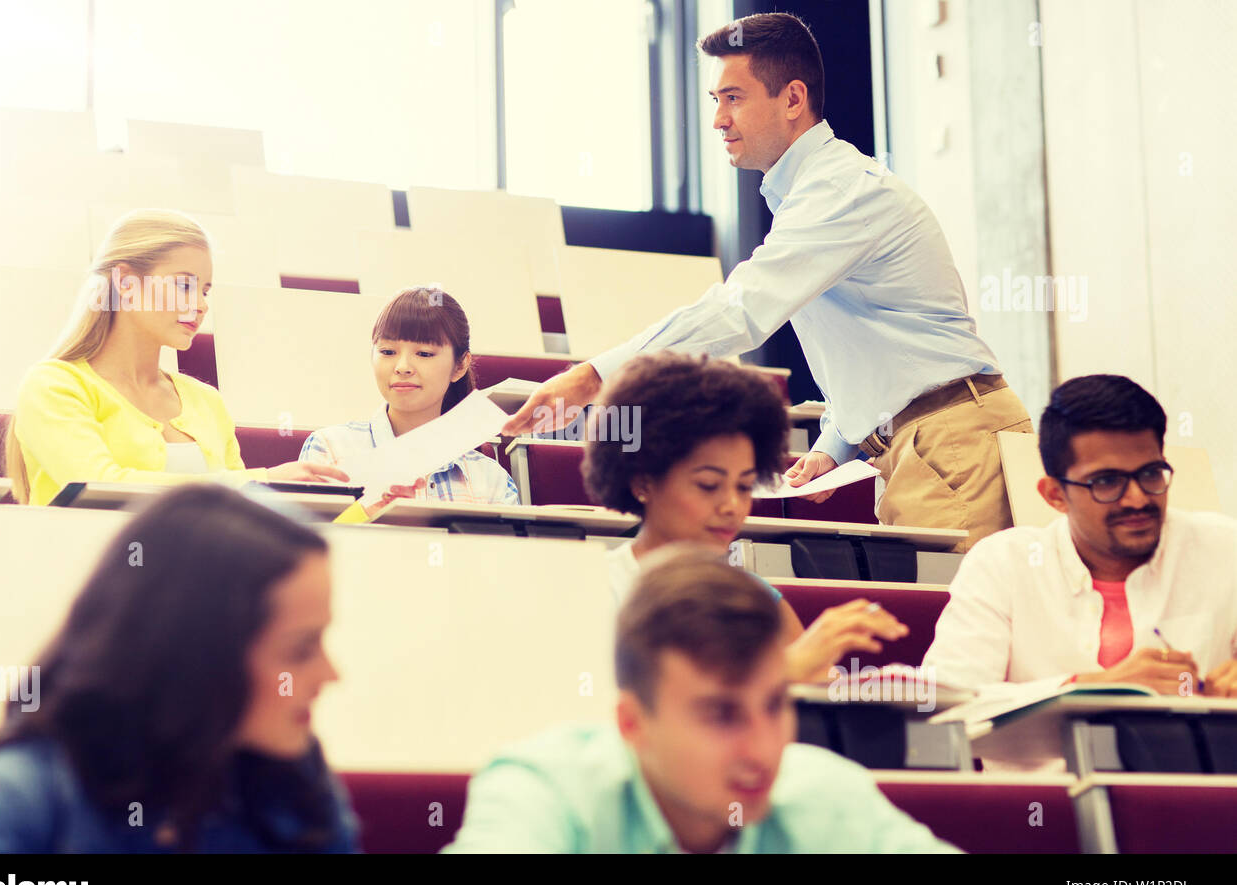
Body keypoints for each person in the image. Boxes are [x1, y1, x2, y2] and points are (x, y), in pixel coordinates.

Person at [503, 12, 1030, 552]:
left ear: (793, 99)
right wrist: (835, 443)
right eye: (715, 100)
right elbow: (878, 344)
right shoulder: (813, 192)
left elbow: (742, 311)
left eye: (734, 98)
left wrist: (594, 375)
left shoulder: (840, 190)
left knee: (959, 628)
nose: (718, 120)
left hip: (950, 440)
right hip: (926, 441)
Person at [444, 545, 957, 853]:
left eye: (775, 705)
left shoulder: (827, 795)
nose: (761, 750)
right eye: (720, 715)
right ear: (632, 724)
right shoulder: (544, 792)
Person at [0, 484, 358, 853]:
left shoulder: (295, 779)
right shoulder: (19, 797)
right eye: (301, 649)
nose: (332, 675)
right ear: (198, 653)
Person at [582, 352, 909, 682]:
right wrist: (781, 671)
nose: (732, 506)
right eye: (709, 486)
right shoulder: (593, 588)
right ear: (643, 482)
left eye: (743, 487)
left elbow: (819, 696)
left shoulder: (752, 596)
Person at [923, 375, 1237, 697]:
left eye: (1150, 474)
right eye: (1107, 482)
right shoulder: (1002, 563)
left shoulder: (1223, 548)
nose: (1138, 499)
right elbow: (950, 699)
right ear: (1054, 495)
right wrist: (1090, 688)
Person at [6, 209, 347, 505]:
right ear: (125, 281)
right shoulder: (52, 385)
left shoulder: (207, 401)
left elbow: (239, 515)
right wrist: (262, 480)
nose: (200, 305)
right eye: (184, 285)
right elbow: (98, 486)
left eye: (205, 290)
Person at [302, 287, 518, 524]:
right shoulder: (329, 450)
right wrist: (364, 515)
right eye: (387, 351)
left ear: (460, 366)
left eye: (424, 353)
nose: (402, 366)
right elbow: (301, 553)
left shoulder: (490, 479)